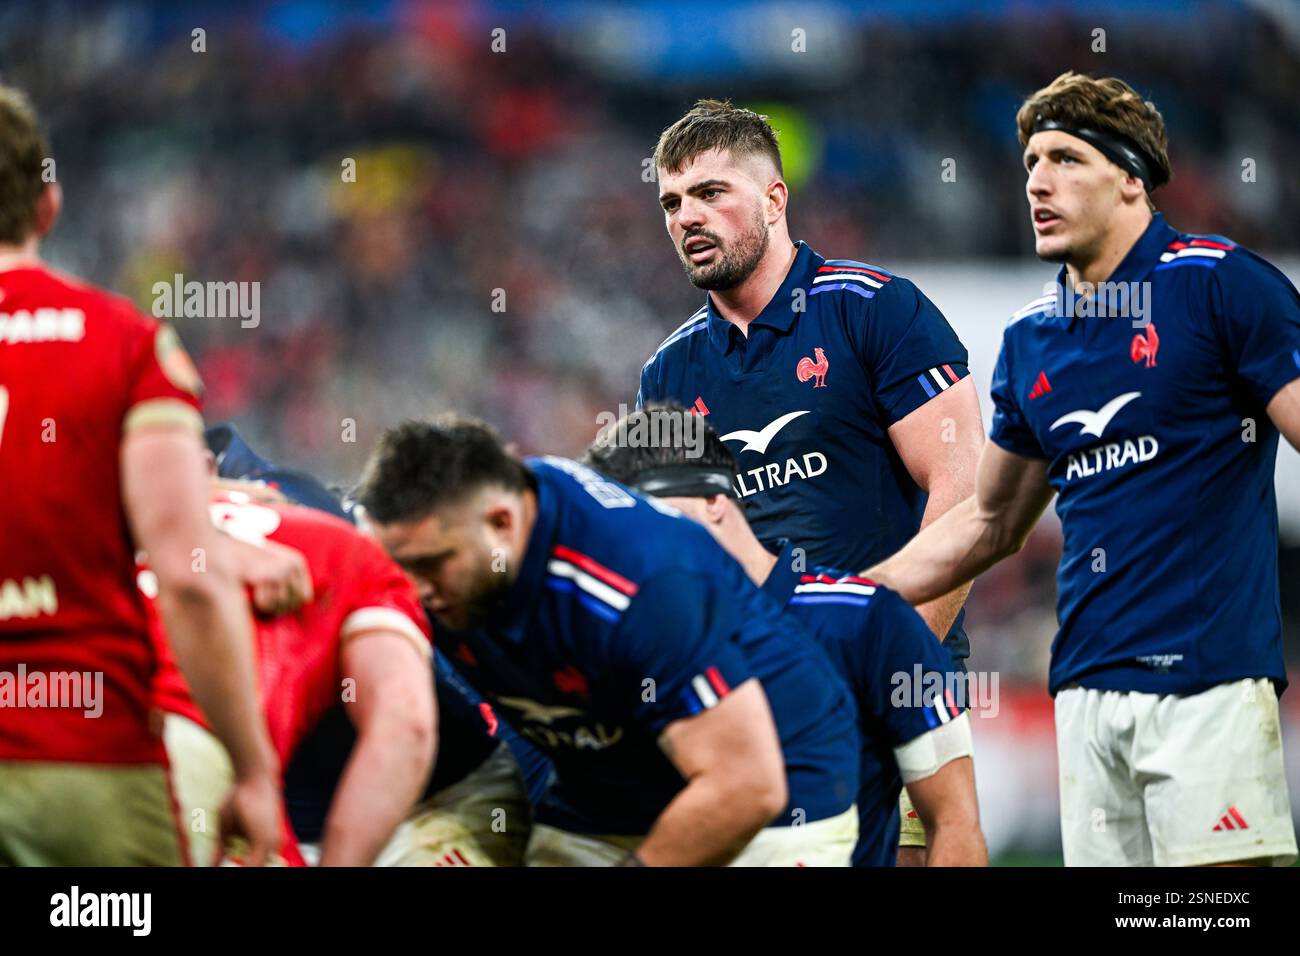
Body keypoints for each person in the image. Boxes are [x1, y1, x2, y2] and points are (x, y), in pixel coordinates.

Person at [867, 72, 1300, 867]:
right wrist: (853, 595)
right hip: (1085, 692)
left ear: (1132, 179)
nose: (1037, 179)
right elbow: (990, 523)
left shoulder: (1221, 286)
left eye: (1067, 158)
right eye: (1031, 159)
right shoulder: (1035, 339)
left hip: (1206, 684)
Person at [637, 99, 985, 860]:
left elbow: (963, 493)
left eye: (711, 192)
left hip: (894, 683)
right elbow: (681, 551)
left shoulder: (876, 310)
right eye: (671, 201)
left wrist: (890, 656)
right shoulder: (667, 373)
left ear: (773, 198)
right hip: (759, 696)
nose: (686, 216)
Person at [356, 416, 862, 866]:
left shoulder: (635, 584)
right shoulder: (449, 552)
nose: (412, 588)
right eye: (396, 564)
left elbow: (748, 786)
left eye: (431, 564)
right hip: (611, 787)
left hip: (775, 780)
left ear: (501, 523)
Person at [0, 84, 286, 865]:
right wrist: (254, 769)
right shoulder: (124, 343)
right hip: (85, 763)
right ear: (48, 204)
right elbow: (188, 575)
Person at [584, 404, 987, 866]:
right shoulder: (634, 652)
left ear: (716, 500)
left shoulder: (866, 621)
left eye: (655, 520)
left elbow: (953, 821)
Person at [148, 483, 437, 866]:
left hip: (62, 722)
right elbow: (405, 725)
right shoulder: (351, 553)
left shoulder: (143, 516)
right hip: (183, 748)